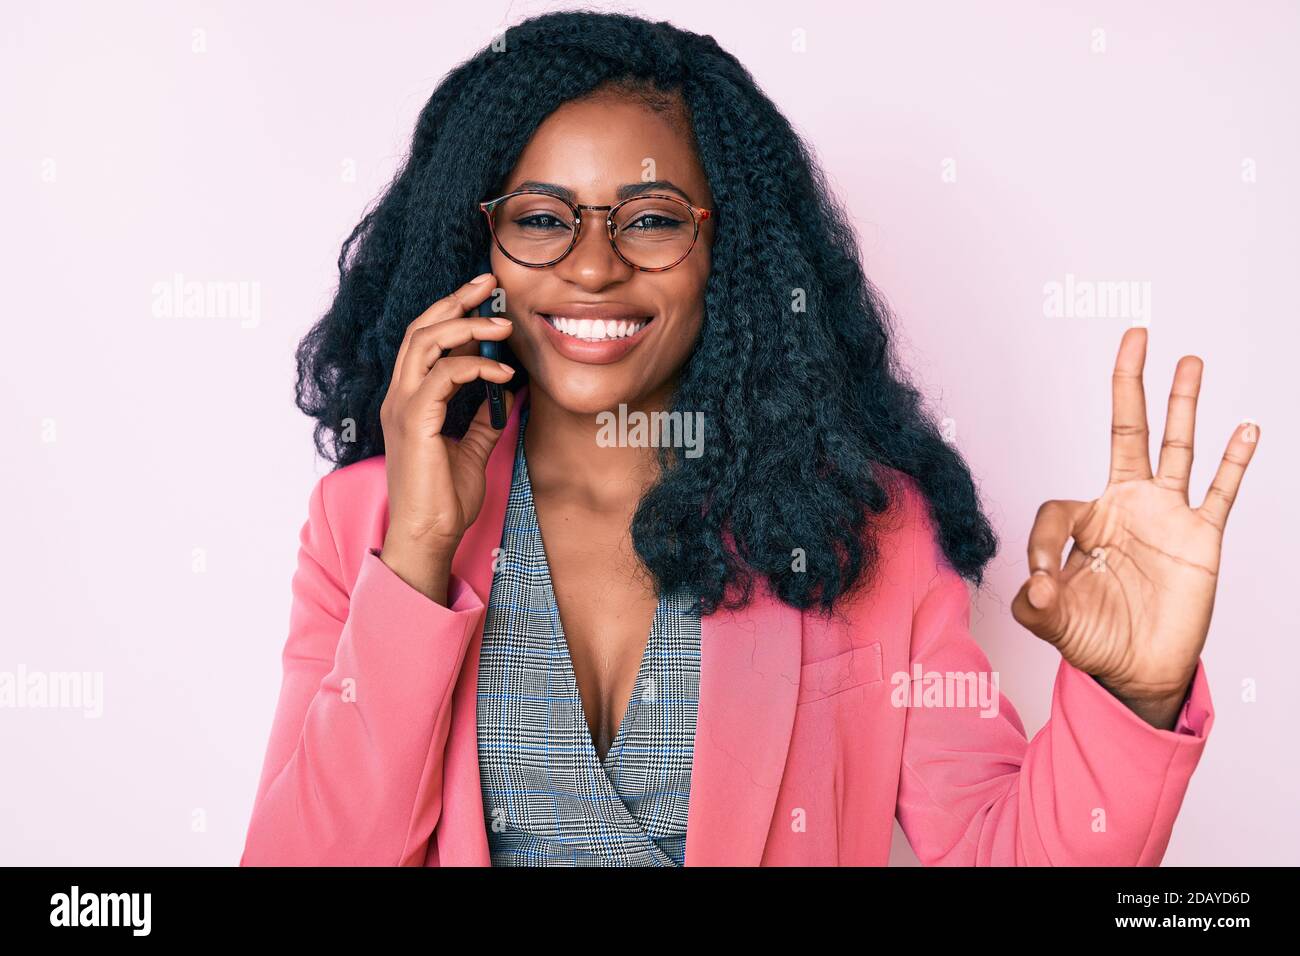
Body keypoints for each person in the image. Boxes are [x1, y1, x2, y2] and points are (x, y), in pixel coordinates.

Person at [239, 11, 1258, 866]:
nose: (592, 268)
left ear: (726, 250)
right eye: (543, 218)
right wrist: (416, 557)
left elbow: (1004, 853)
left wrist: (1139, 689)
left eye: (650, 219)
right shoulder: (362, 525)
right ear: (477, 245)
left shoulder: (863, 530)